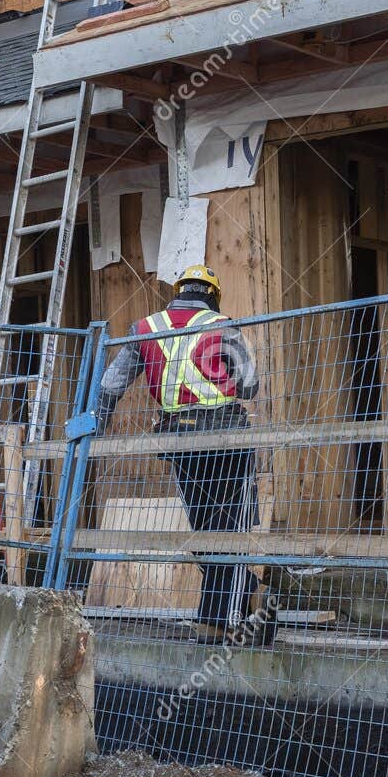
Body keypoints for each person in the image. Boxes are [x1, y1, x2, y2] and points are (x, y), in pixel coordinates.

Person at [94, 264, 275, 645]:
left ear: (177, 291)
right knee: (232, 531)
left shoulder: (145, 329)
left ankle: (234, 606)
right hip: (226, 440)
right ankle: (227, 616)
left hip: (179, 442)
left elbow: (110, 386)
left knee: (206, 532)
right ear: (212, 294)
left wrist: (96, 425)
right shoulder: (222, 325)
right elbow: (250, 385)